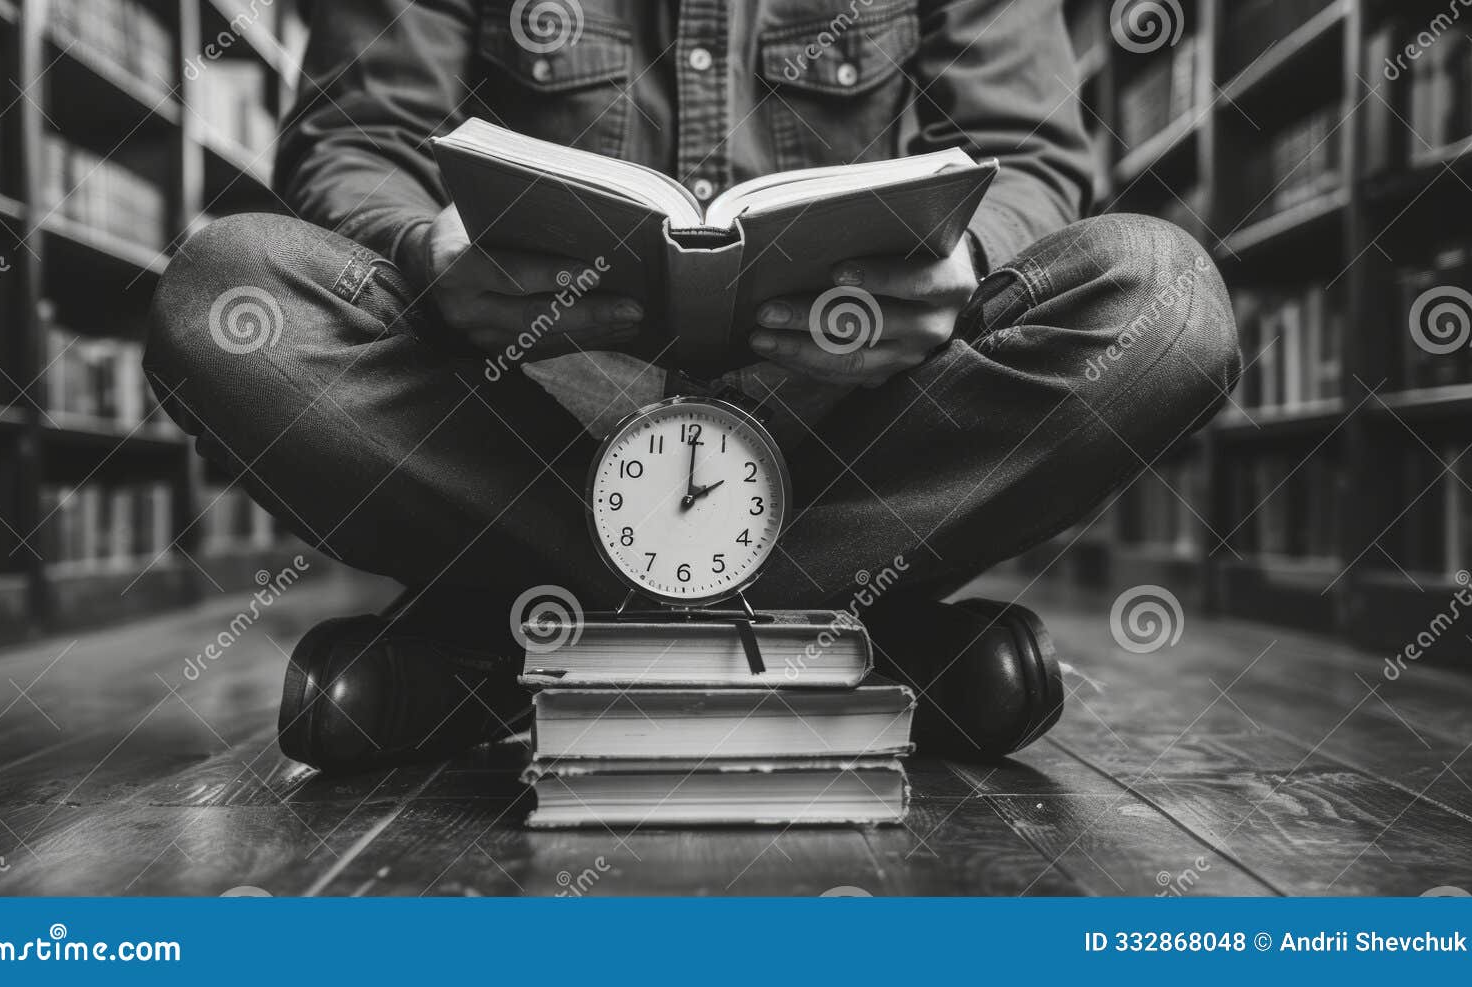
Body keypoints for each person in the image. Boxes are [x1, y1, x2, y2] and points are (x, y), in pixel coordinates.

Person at [146, 0, 1241, 773]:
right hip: (531, 417)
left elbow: (1030, 156)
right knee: (227, 296)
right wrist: (429, 256)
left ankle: (502, 649)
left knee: (1164, 299)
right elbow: (353, 144)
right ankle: (853, 643)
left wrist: (958, 274)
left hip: (842, 419)